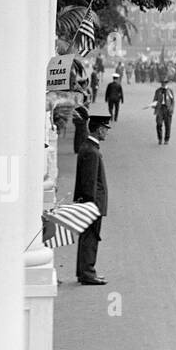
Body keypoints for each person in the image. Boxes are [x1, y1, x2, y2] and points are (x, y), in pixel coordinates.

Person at [73, 112, 111, 285]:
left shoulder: (88, 147)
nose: (106, 132)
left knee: (87, 237)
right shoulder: (92, 152)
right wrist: (92, 206)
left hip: (88, 202)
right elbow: (89, 183)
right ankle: (88, 272)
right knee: (91, 237)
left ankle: (84, 272)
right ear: (98, 130)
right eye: (105, 129)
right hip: (92, 203)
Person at [152, 78, 175, 145]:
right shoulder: (158, 91)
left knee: (168, 125)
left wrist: (171, 108)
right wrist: (153, 105)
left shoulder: (170, 91)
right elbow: (155, 99)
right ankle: (160, 138)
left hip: (167, 108)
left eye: (165, 82)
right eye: (162, 82)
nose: (163, 84)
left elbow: (173, 101)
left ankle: (166, 139)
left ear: (167, 83)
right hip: (160, 109)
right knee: (159, 124)